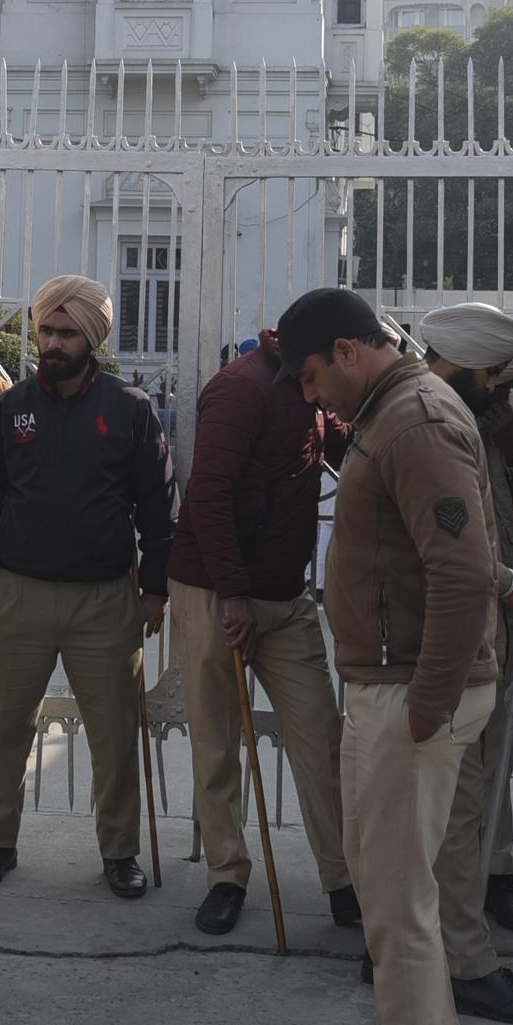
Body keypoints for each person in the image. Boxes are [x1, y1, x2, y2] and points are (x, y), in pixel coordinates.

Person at [283, 288, 504, 1025]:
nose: (310, 398)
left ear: (347, 349)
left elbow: (463, 574)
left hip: (411, 689)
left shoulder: (411, 422)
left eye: (311, 377)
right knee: (397, 889)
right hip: (400, 680)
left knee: (395, 898)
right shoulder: (398, 407)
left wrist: (426, 705)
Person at [0, 276, 176, 901]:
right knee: (3, 729)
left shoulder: (129, 409)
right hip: (16, 595)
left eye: (66, 332)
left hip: (105, 600)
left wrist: (154, 589)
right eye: (46, 330)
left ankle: (119, 853)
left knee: (113, 732)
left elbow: (158, 509)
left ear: (93, 339)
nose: (52, 342)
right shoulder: (10, 408)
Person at [164, 327, 357, 936]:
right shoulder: (240, 389)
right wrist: (232, 593)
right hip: (216, 592)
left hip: (284, 596)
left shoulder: (318, 387)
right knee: (217, 742)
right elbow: (208, 494)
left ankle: (345, 879)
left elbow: (336, 447)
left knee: (322, 740)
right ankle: (227, 875)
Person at [410, 305, 513, 1025]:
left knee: (490, 758)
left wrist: (512, 446)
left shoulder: (508, 414)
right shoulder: (421, 416)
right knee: (448, 784)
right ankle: (436, 941)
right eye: (495, 376)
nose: (502, 388)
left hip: (503, 611)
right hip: (454, 609)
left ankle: (489, 882)